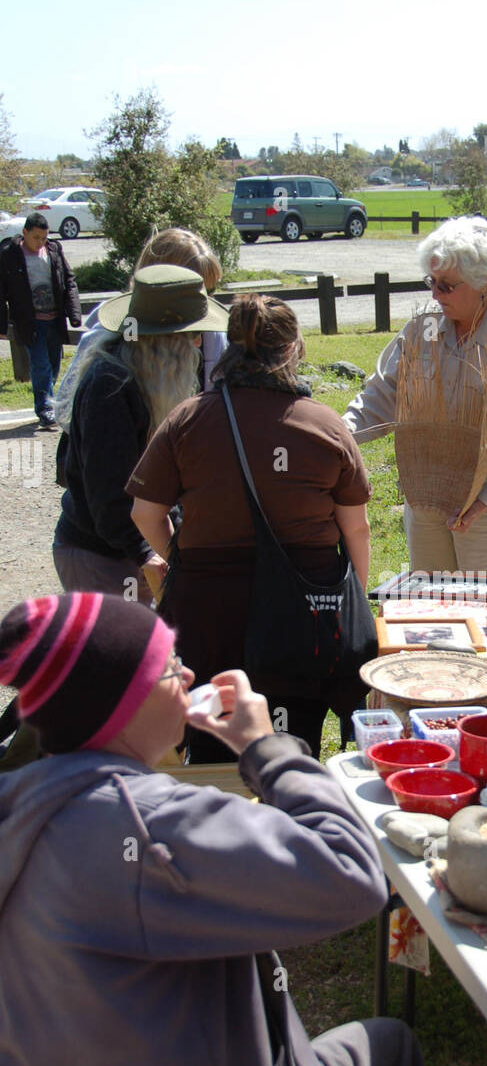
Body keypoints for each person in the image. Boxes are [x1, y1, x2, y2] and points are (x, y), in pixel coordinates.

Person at [0, 591, 427, 1066]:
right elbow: (352, 875)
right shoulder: (147, 823)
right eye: (170, 668)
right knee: (392, 1057)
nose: (190, 677)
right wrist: (267, 748)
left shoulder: (23, 804)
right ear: (122, 705)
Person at [128, 293, 373, 760]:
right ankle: (292, 801)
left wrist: (181, 557)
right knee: (294, 737)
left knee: (210, 736)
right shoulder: (325, 424)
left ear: (231, 347)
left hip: (208, 613)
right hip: (305, 616)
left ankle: (217, 810)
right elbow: (357, 530)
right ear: (293, 349)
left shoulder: (187, 419)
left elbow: (144, 512)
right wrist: (350, 599)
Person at [343, 216, 487, 579]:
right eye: (432, 282)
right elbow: (382, 395)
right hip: (427, 496)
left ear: (484, 284)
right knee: (432, 608)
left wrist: (482, 503)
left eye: (447, 286)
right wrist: (336, 436)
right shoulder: (422, 326)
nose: (434, 295)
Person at [52, 265, 228, 603]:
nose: (197, 344)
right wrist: (146, 551)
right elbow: (109, 493)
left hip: (138, 547)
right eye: (191, 335)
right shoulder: (110, 385)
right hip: (101, 555)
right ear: (163, 341)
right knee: (124, 654)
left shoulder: (149, 380)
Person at [53, 226, 227, 435]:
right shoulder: (121, 339)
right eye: (195, 292)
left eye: (210, 292)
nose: (204, 304)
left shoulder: (215, 338)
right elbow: (68, 411)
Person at [0, 213, 81, 430]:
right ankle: (45, 410)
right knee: (40, 365)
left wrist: (73, 313)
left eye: (44, 237)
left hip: (54, 320)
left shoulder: (54, 250)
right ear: (25, 233)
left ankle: (49, 402)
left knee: (53, 364)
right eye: (36, 237)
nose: (40, 242)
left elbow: (68, 280)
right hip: (29, 322)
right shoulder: (9, 255)